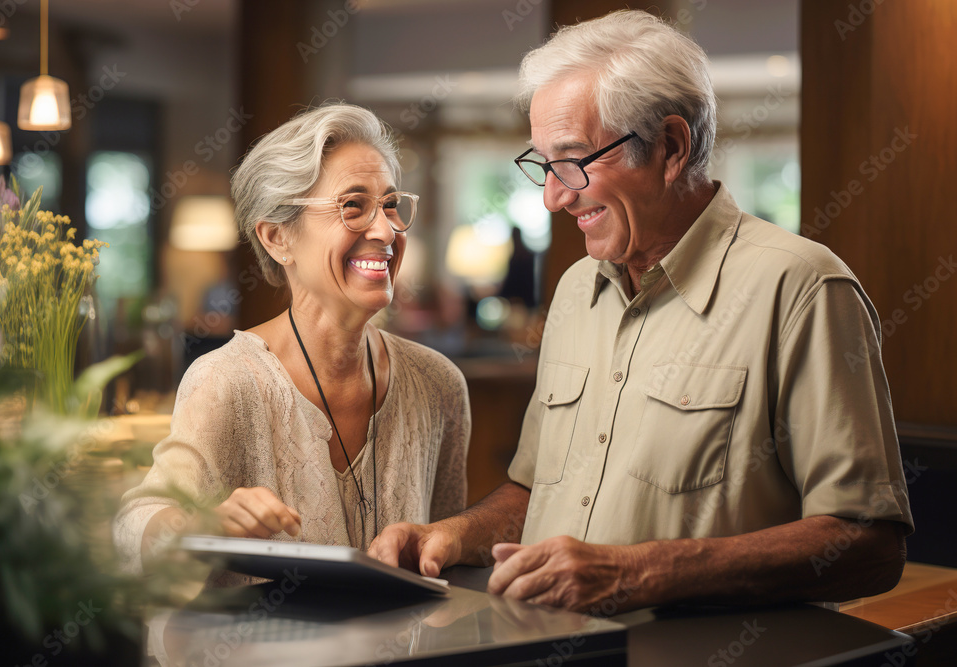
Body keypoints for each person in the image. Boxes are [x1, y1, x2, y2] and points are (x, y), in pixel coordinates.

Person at [369, 10, 913, 614]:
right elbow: (536, 491)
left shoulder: (802, 288)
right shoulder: (577, 290)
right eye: (544, 166)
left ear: (672, 147)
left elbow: (871, 543)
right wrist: (453, 534)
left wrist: (646, 572)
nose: (553, 197)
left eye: (574, 160)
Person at [114, 103, 470, 586]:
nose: (386, 230)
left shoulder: (438, 383)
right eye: (353, 205)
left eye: (390, 204)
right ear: (278, 237)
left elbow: (450, 566)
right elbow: (135, 525)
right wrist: (201, 527)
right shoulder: (227, 380)